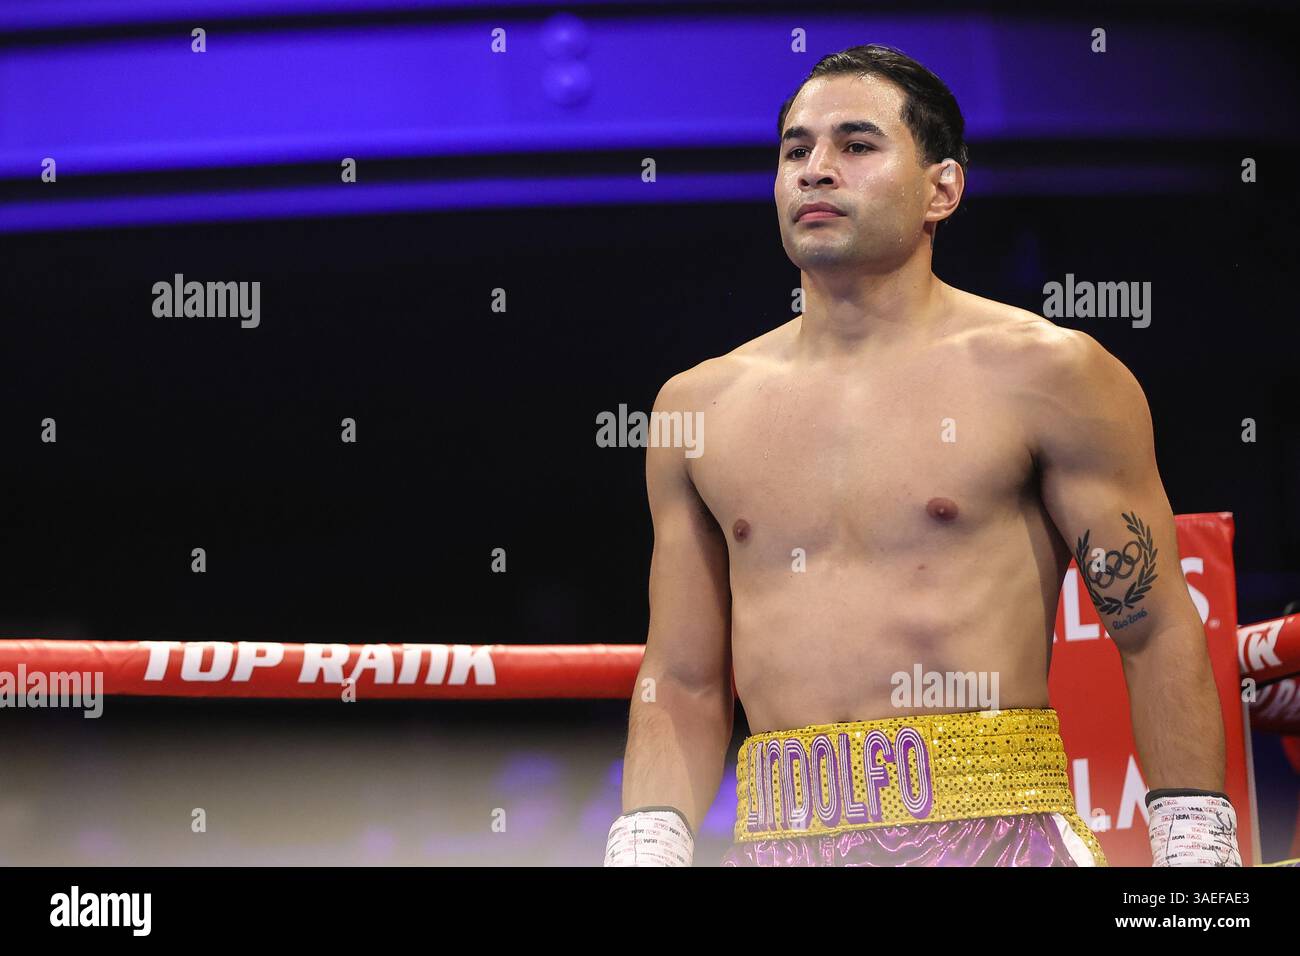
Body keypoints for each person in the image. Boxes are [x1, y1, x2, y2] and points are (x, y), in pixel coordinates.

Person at [602, 44, 1240, 867]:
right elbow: (684, 675)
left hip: (999, 835)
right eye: (797, 150)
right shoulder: (696, 407)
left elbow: (1151, 627)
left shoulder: (1050, 373)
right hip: (777, 844)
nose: (816, 171)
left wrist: (1195, 860)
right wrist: (646, 849)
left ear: (942, 187)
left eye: (856, 146)